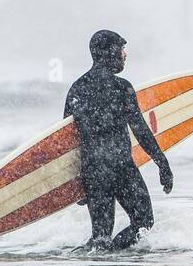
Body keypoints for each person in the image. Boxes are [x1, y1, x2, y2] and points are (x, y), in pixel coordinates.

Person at [63, 30, 173, 250]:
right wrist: (162, 162)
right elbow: (140, 129)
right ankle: (116, 254)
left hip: (93, 171)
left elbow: (67, 143)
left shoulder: (77, 88)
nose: (125, 55)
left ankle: (97, 264)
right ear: (108, 51)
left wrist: (75, 183)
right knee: (143, 222)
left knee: (100, 237)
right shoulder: (121, 87)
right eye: (122, 48)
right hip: (121, 167)